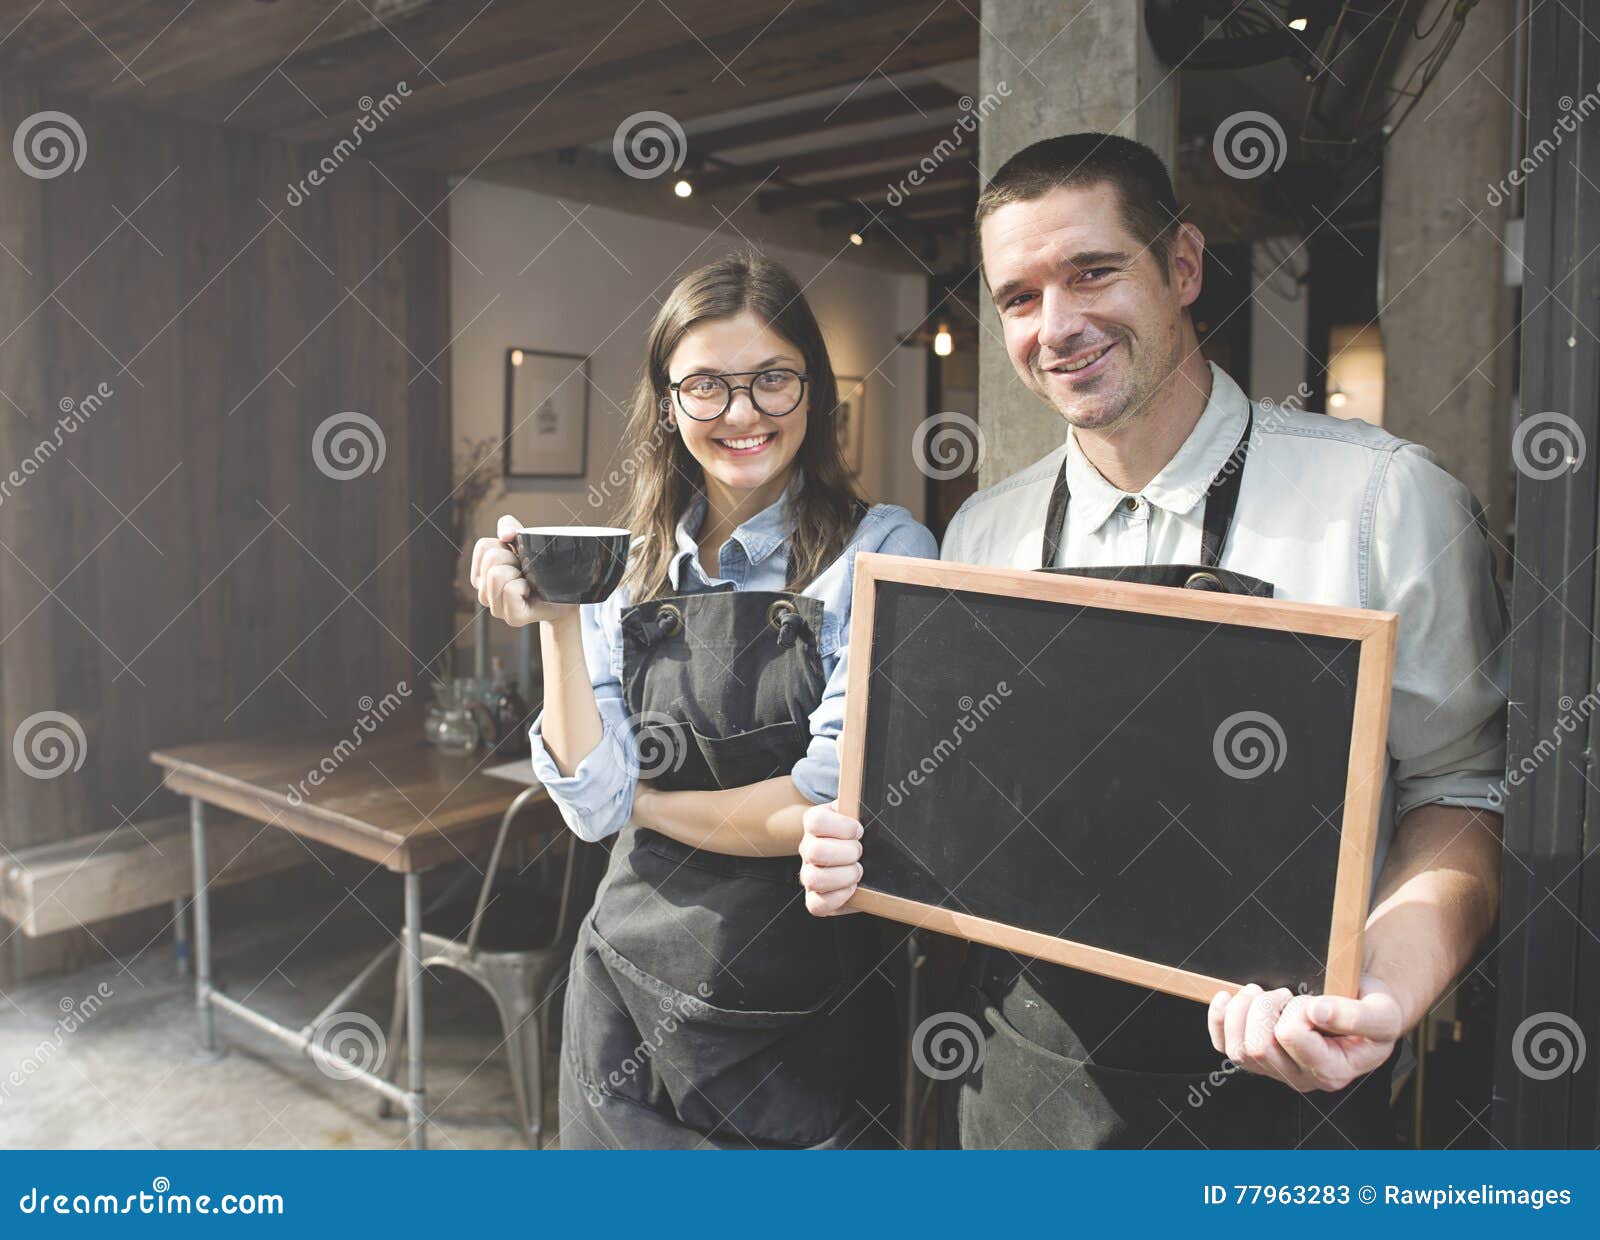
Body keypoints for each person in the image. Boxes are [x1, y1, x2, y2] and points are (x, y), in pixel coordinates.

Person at [798, 134, 1508, 1149]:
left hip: (1280, 1081)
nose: (1058, 325)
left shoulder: (1383, 502)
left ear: (1182, 266)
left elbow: (1462, 791)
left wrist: (1383, 993)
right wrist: (867, 843)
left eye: (1092, 272)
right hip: (1022, 1080)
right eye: (1019, 297)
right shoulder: (983, 533)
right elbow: (966, 810)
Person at [471, 252, 935, 1149]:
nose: (742, 412)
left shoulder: (882, 553)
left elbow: (822, 806)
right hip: (622, 1007)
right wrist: (556, 620)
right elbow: (588, 808)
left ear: (814, 392)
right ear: (668, 403)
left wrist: (642, 804)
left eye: (772, 379)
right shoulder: (625, 564)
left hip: (801, 1020)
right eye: (707, 386)